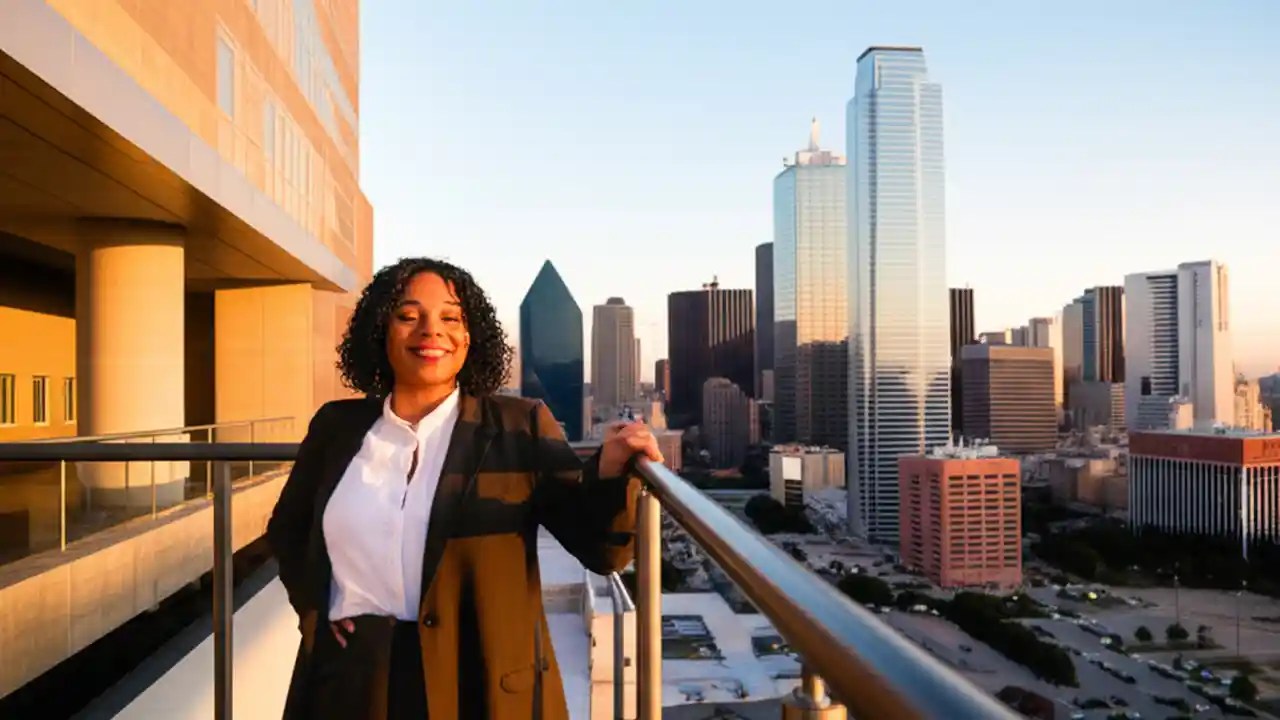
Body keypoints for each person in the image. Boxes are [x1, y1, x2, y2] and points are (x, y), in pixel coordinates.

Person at [268, 257, 662, 719]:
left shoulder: (520, 425)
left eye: (450, 318)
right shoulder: (337, 427)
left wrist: (613, 471)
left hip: (478, 681)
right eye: (408, 316)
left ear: (470, 336)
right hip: (351, 681)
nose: (431, 331)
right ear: (381, 329)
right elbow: (289, 530)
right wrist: (318, 612)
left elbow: (600, 550)